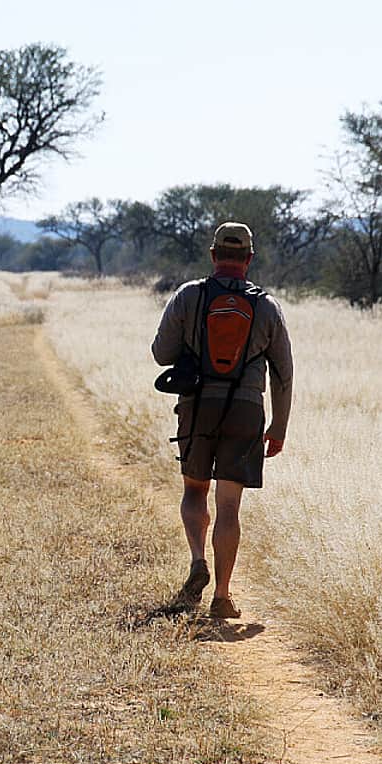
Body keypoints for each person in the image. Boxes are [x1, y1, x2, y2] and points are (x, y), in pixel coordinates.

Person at [151, 221, 293, 619]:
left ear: (213, 255)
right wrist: (278, 426)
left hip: (197, 406)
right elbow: (284, 373)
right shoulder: (267, 306)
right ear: (248, 259)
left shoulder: (189, 296)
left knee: (195, 490)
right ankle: (223, 597)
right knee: (229, 505)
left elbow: (161, 354)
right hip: (247, 411)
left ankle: (198, 560)